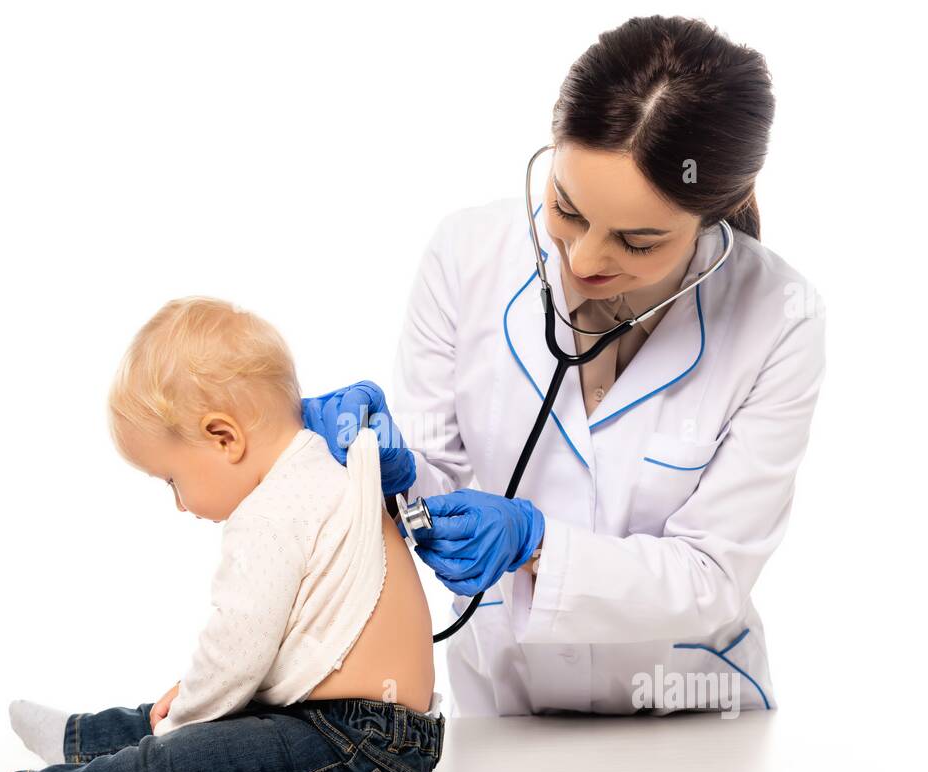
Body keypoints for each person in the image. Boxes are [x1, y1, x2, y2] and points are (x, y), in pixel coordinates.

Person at [302, 16, 826, 717]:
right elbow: (436, 493)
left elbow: (712, 575)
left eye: (637, 242)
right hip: (511, 704)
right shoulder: (466, 256)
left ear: (713, 214)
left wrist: (539, 542)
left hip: (694, 718)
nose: (583, 260)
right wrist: (387, 468)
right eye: (566, 209)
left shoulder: (778, 316)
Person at [0, 297, 443, 772]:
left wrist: (186, 720)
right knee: (177, 710)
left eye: (171, 479)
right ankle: (82, 739)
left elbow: (238, 650)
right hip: (377, 734)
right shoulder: (316, 467)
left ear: (224, 438)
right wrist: (194, 702)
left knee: (179, 762)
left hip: (359, 750)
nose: (179, 504)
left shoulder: (269, 513)